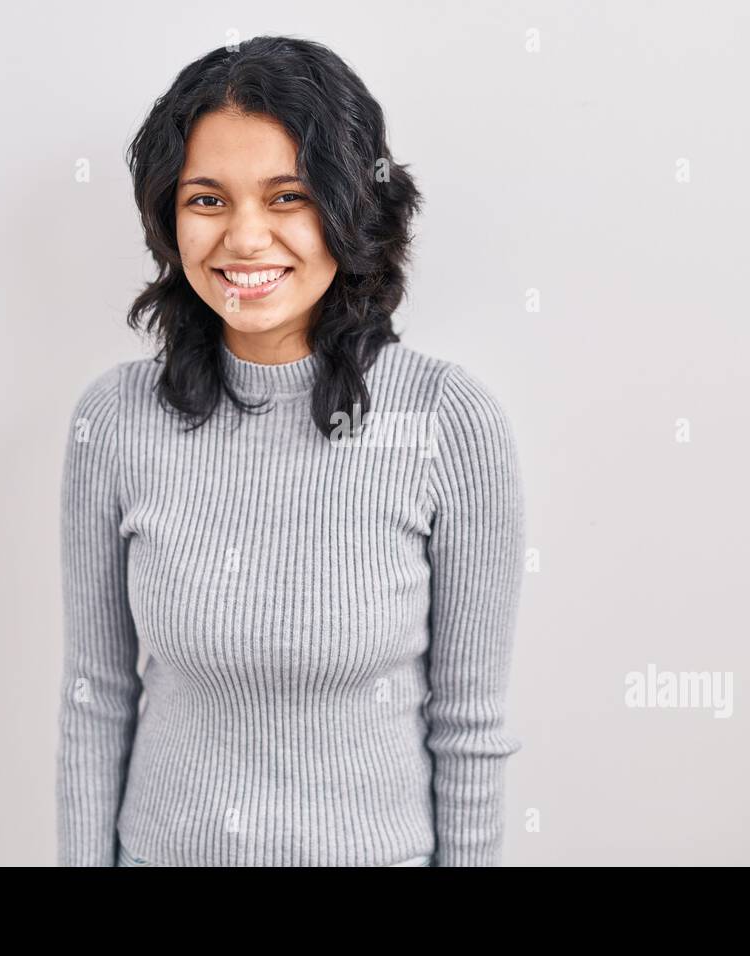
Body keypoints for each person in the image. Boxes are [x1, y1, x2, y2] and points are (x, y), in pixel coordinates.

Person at [56, 35, 525, 867]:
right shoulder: (114, 422)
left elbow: (470, 728)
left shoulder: (449, 422)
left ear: (352, 209)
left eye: (288, 198)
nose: (244, 238)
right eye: (207, 200)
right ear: (170, 217)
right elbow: (97, 701)